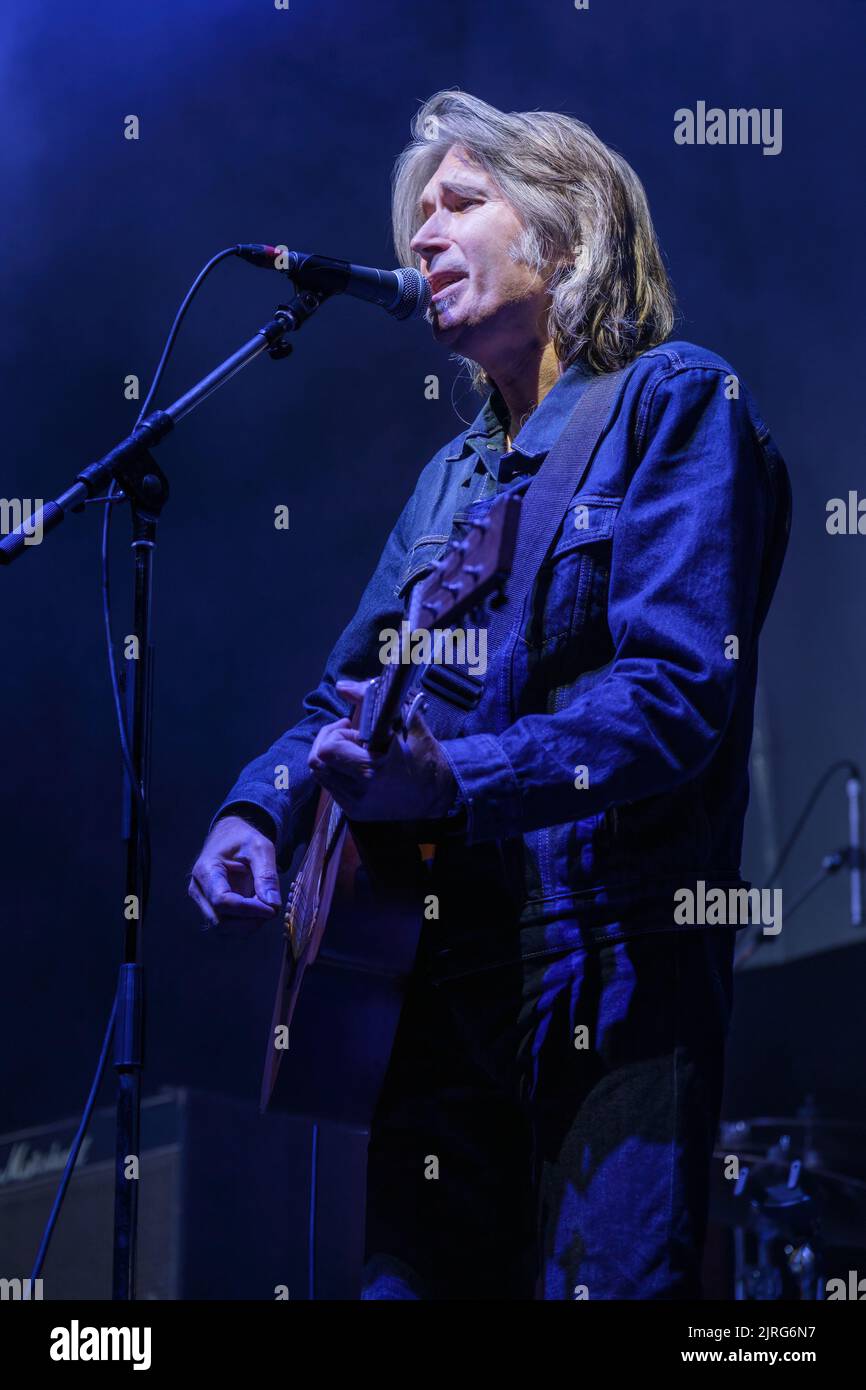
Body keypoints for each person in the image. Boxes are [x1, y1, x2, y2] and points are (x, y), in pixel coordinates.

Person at [188, 90, 791, 1299]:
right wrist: (257, 809)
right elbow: (339, 699)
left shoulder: (674, 403)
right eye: (416, 213)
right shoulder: (449, 479)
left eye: (460, 202)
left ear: (567, 236)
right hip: (429, 989)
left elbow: (674, 694)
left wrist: (453, 779)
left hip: (608, 971)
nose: (419, 235)